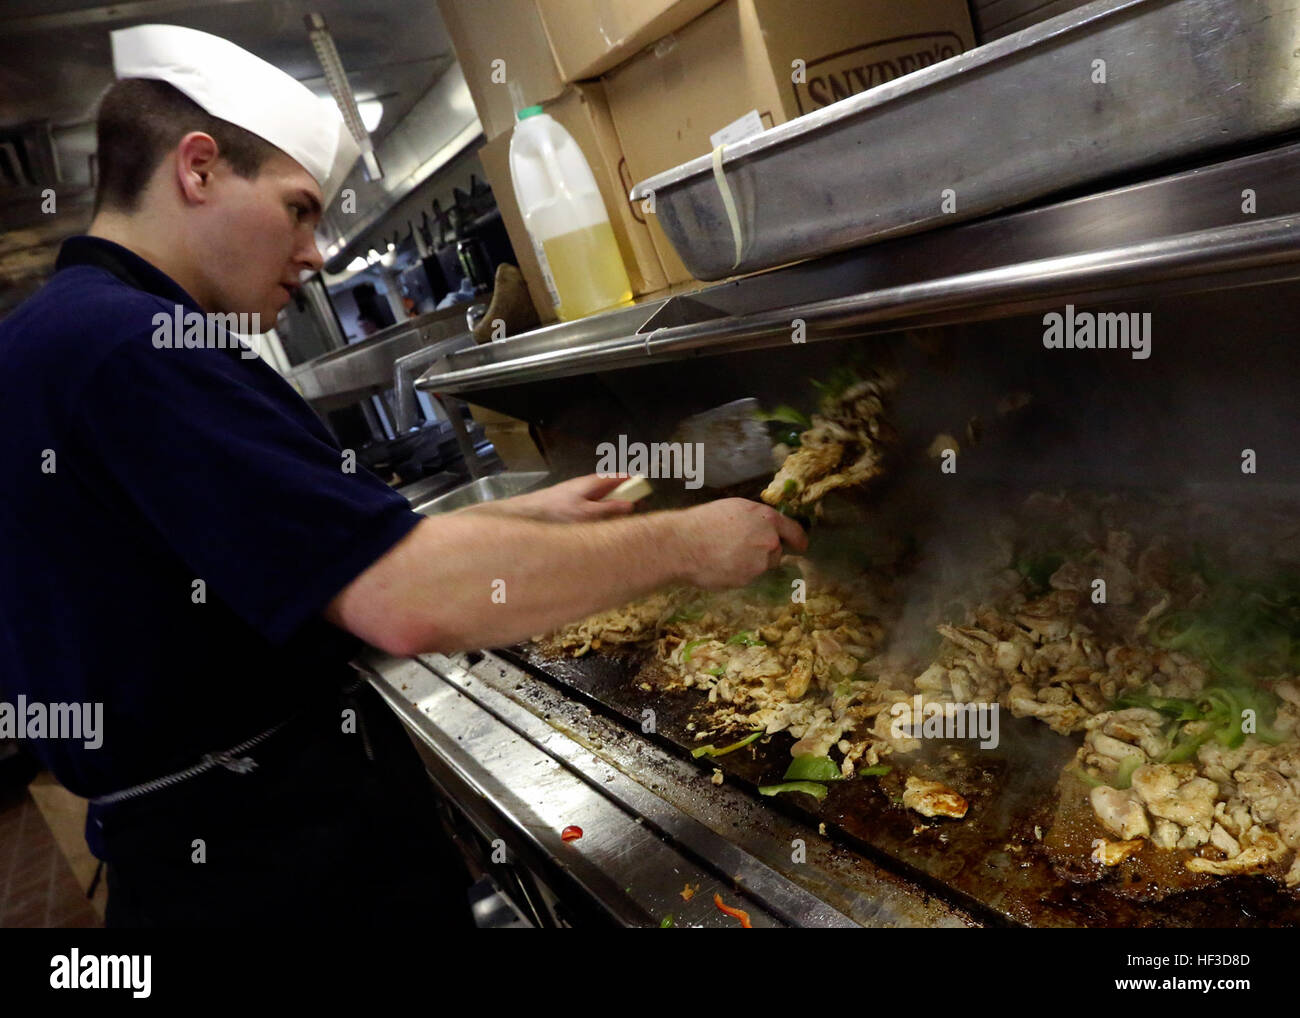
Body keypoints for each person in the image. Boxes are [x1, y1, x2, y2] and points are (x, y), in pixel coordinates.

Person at [0, 24, 805, 927]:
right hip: (270, 873)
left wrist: (538, 518)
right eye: (300, 209)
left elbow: (308, 551)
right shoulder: (131, 346)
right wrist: (687, 544)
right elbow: (400, 598)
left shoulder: (58, 338)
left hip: (213, 848)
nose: (314, 256)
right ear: (197, 169)